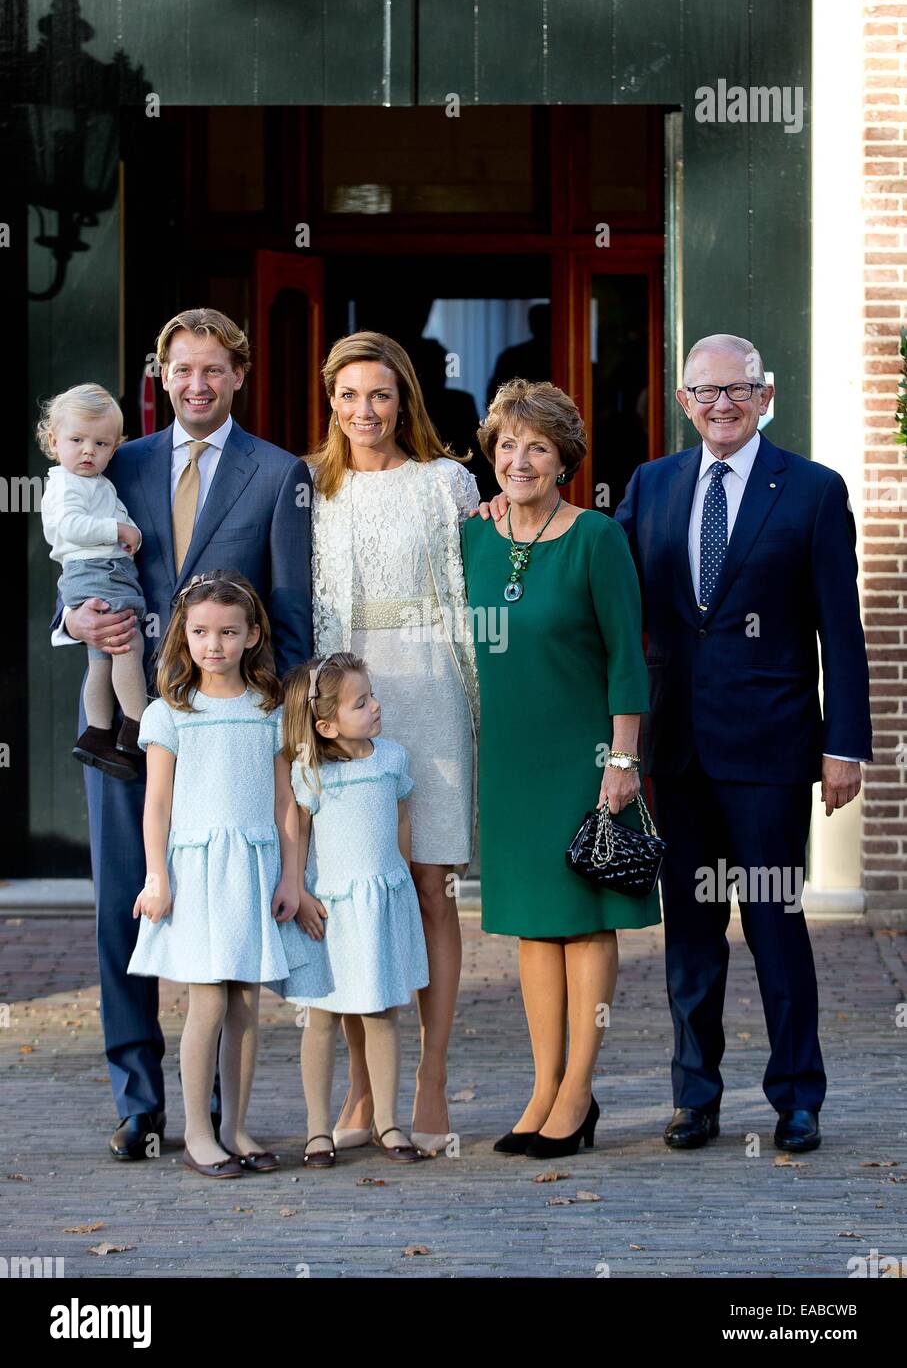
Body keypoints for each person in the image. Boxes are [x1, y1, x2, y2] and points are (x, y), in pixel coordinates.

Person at [51, 308, 313, 1161]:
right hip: (127, 726)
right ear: (161, 378)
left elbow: (292, 614)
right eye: (181, 370)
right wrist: (76, 618)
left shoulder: (276, 474)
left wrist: (286, 728)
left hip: (227, 734)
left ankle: (205, 1109)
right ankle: (138, 1099)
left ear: (239, 375)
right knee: (124, 904)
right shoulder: (108, 461)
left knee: (215, 911)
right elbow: (71, 563)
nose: (196, 385)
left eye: (213, 370)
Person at [614, 333, 873, 1154]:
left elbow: (841, 629)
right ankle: (695, 1096)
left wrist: (846, 744)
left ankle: (797, 1097)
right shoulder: (650, 486)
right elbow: (599, 575)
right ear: (683, 401)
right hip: (678, 750)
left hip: (768, 752)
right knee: (690, 936)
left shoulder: (810, 491)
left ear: (764, 396)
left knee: (771, 925)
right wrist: (511, 519)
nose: (719, 405)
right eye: (703, 392)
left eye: (736, 390)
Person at [461, 379, 660, 1160]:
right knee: (531, 928)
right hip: (507, 756)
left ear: (563, 459)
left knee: (582, 922)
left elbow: (626, 656)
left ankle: (577, 1093)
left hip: (581, 753)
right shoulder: (473, 535)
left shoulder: (596, 537)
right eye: (506, 445)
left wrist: (621, 758)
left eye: (536, 447)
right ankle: (541, 1088)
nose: (519, 460)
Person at [309, 331, 478, 1154]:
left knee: (428, 887)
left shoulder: (443, 482)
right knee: (353, 889)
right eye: (348, 395)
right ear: (330, 402)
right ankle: (363, 1083)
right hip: (344, 703)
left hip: (431, 688)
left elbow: (478, 573)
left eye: (379, 395)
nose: (363, 410)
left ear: (403, 400)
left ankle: (431, 1074)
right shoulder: (312, 486)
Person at [128, 572, 309, 1178]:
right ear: (184, 637)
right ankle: (198, 1132)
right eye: (201, 632)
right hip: (199, 871)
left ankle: (235, 1124)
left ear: (253, 635)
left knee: (246, 1002)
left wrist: (291, 878)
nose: (214, 645)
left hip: (254, 869)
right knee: (206, 1000)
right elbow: (157, 804)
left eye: (229, 632)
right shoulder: (170, 713)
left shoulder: (270, 710)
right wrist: (157, 877)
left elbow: (288, 802)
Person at [273, 652, 429, 1168]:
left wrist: (402, 877)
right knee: (321, 1019)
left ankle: (388, 1120)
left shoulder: (391, 759)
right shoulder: (311, 773)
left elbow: (402, 822)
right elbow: (295, 836)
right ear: (326, 723)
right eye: (361, 703)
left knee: (381, 1014)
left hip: (380, 904)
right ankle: (318, 1130)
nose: (376, 707)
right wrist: (296, 889)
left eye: (372, 695)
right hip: (332, 911)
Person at [39, 384, 148, 780]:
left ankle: (97, 733)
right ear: (54, 440)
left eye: (101, 443)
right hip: (96, 571)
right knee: (126, 644)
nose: (89, 451)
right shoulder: (66, 483)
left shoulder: (96, 483)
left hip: (100, 570)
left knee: (101, 657)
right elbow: (66, 526)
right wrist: (117, 528)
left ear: (115, 446)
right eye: (77, 440)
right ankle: (136, 727)